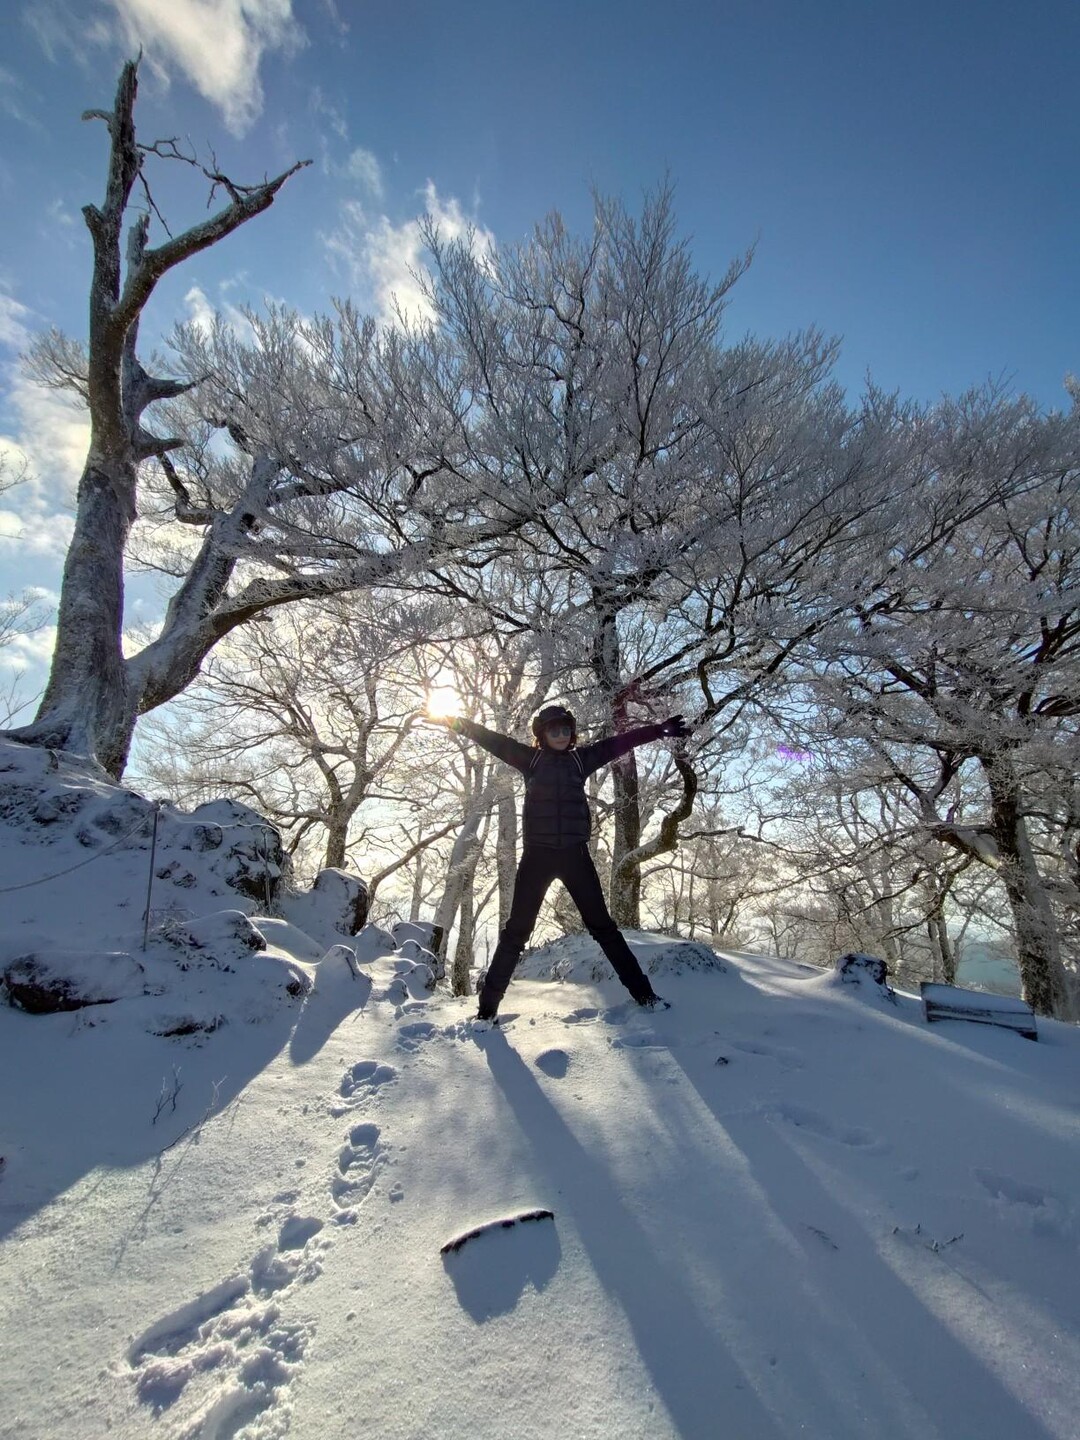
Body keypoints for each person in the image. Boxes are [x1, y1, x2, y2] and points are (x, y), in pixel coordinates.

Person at [433, 702, 690, 1021]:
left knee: (604, 928)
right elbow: (492, 740)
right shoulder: (532, 759)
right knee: (516, 932)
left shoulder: (581, 760)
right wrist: (455, 721)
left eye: (566, 729)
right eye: (554, 729)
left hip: (575, 856)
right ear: (541, 734)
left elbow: (619, 743)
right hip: (537, 857)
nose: (561, 734)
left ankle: (645, 995)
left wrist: (657, 729)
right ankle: (487, 1011)